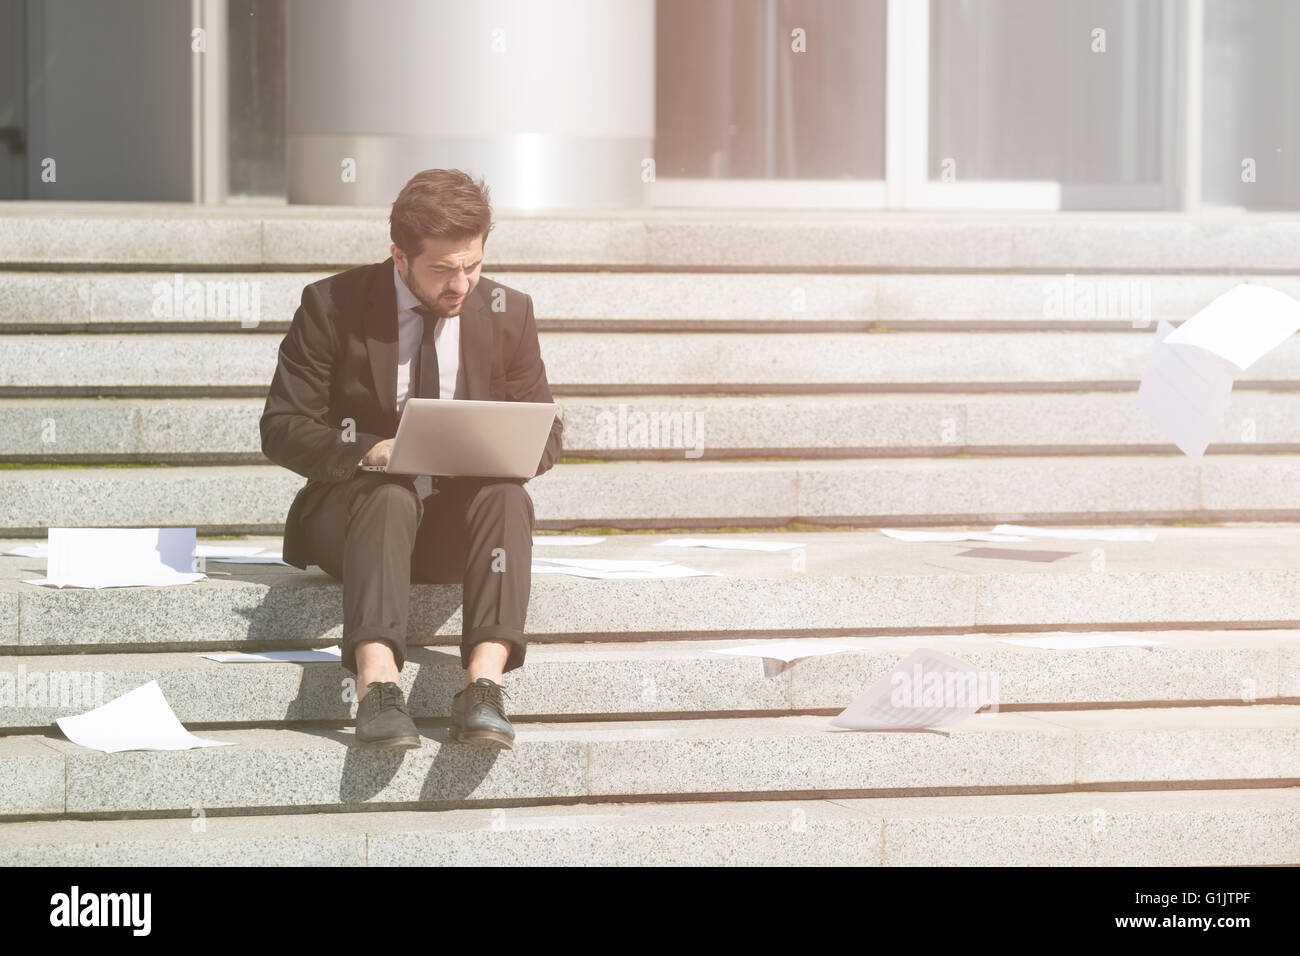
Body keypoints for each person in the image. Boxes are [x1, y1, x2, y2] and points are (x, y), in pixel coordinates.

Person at [259, 168, 563, 751]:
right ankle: (377, 686)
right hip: (353, 517)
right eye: (443, 269)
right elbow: (282, 427)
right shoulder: (332, 304)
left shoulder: (508, 312)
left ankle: (483, 687)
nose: (461, 284)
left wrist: (499, 447)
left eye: (472, 265)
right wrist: (368, 450)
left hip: (453, 524)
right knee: (388, 492)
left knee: (507, 497)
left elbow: (545, 432)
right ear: (398, 256)